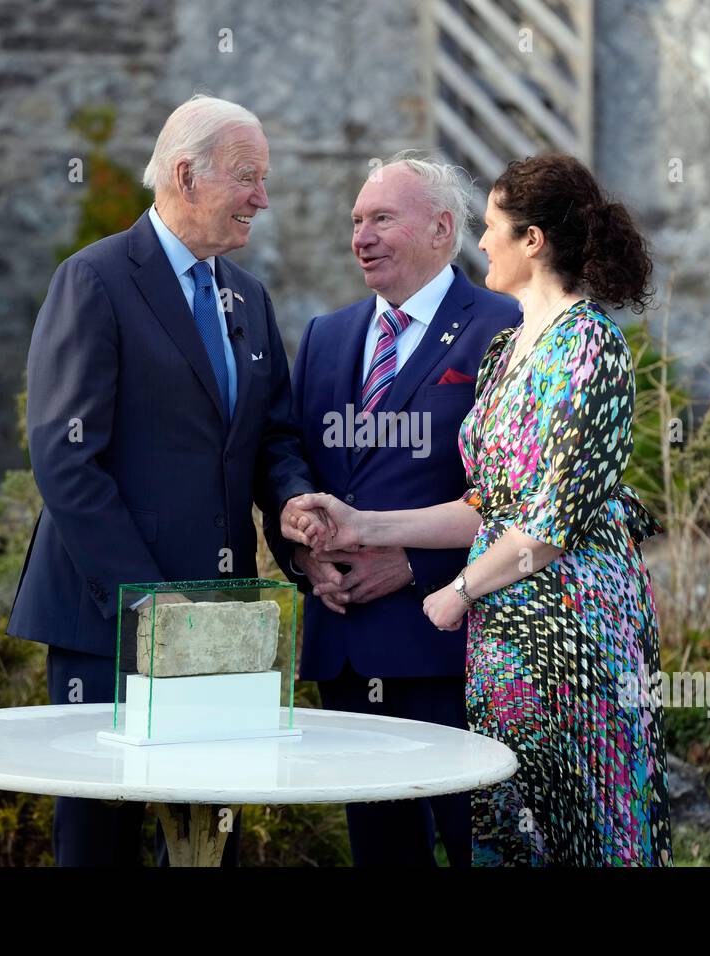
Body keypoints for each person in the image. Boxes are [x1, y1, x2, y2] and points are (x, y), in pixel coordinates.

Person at [286, 154, 672, 866]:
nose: (481, 241)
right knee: (512, 841)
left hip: (572, 637)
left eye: (492, 228)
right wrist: (361, 526)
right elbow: (485, 503)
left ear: (534, 241)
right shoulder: (506, 349)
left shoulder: (593, 346)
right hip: (503, 643)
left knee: (579, 832)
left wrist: (456, 590)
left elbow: (551, 520)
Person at [7, 94, 326, 866]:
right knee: (99, 844)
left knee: (205, 841)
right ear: (186, 175)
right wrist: (149, 602)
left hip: (220, 625)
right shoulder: (95, 281)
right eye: (248, 178)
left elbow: (269, 438)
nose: (263, 198)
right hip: (107, 620)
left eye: (264, 179)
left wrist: (294, 511)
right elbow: (65, 457)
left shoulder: (248, 298)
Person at [264, 153, 520, 866]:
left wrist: (414, 564)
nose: (362, 236)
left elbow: (520, 495)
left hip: (456, 642)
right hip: (344, 642)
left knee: (479, 847)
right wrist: (302, 543)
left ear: (442, 228)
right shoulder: (327, 335)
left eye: (381, 218)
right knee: (380, 852)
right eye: (355, 221)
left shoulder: (506, 327)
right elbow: (287, 451)